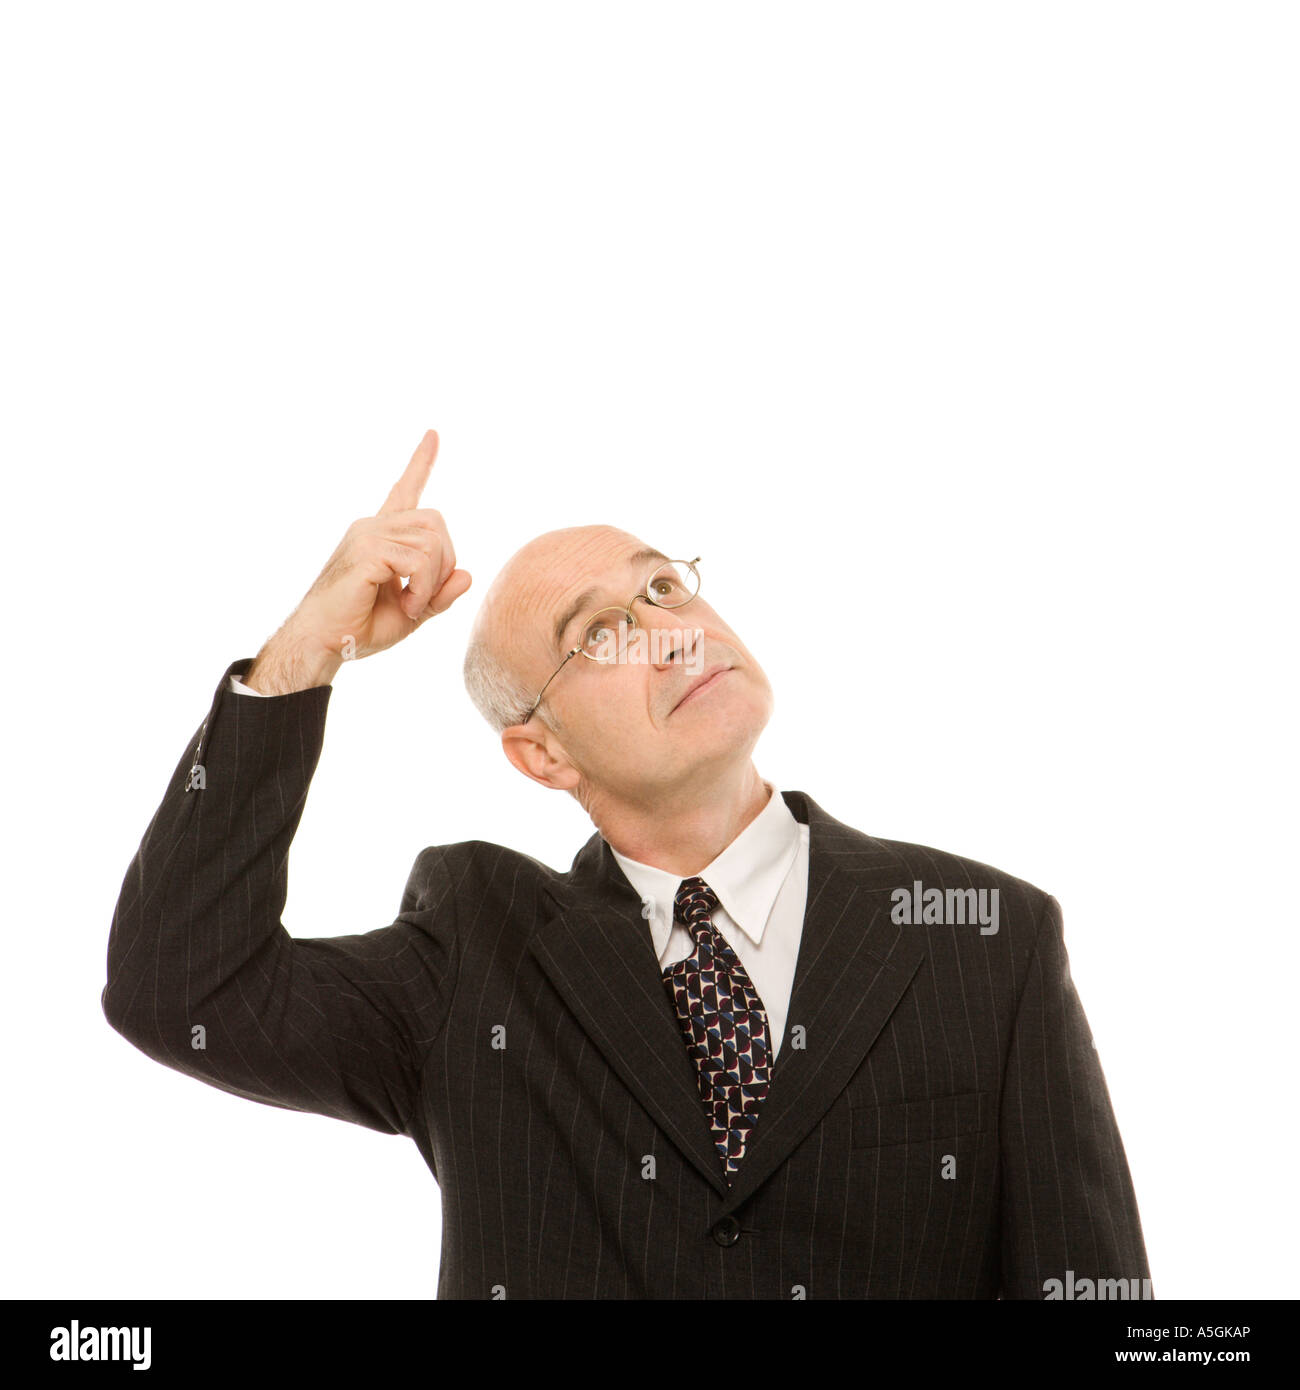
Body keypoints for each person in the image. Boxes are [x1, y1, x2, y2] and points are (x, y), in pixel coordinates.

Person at [103, 429, 1151, 1299]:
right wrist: (310, 644)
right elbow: (177, 986)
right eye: (600, 631)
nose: (669, 631)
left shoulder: (984, 934)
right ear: (540, 750)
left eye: (663, 587)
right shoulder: (472, 959)